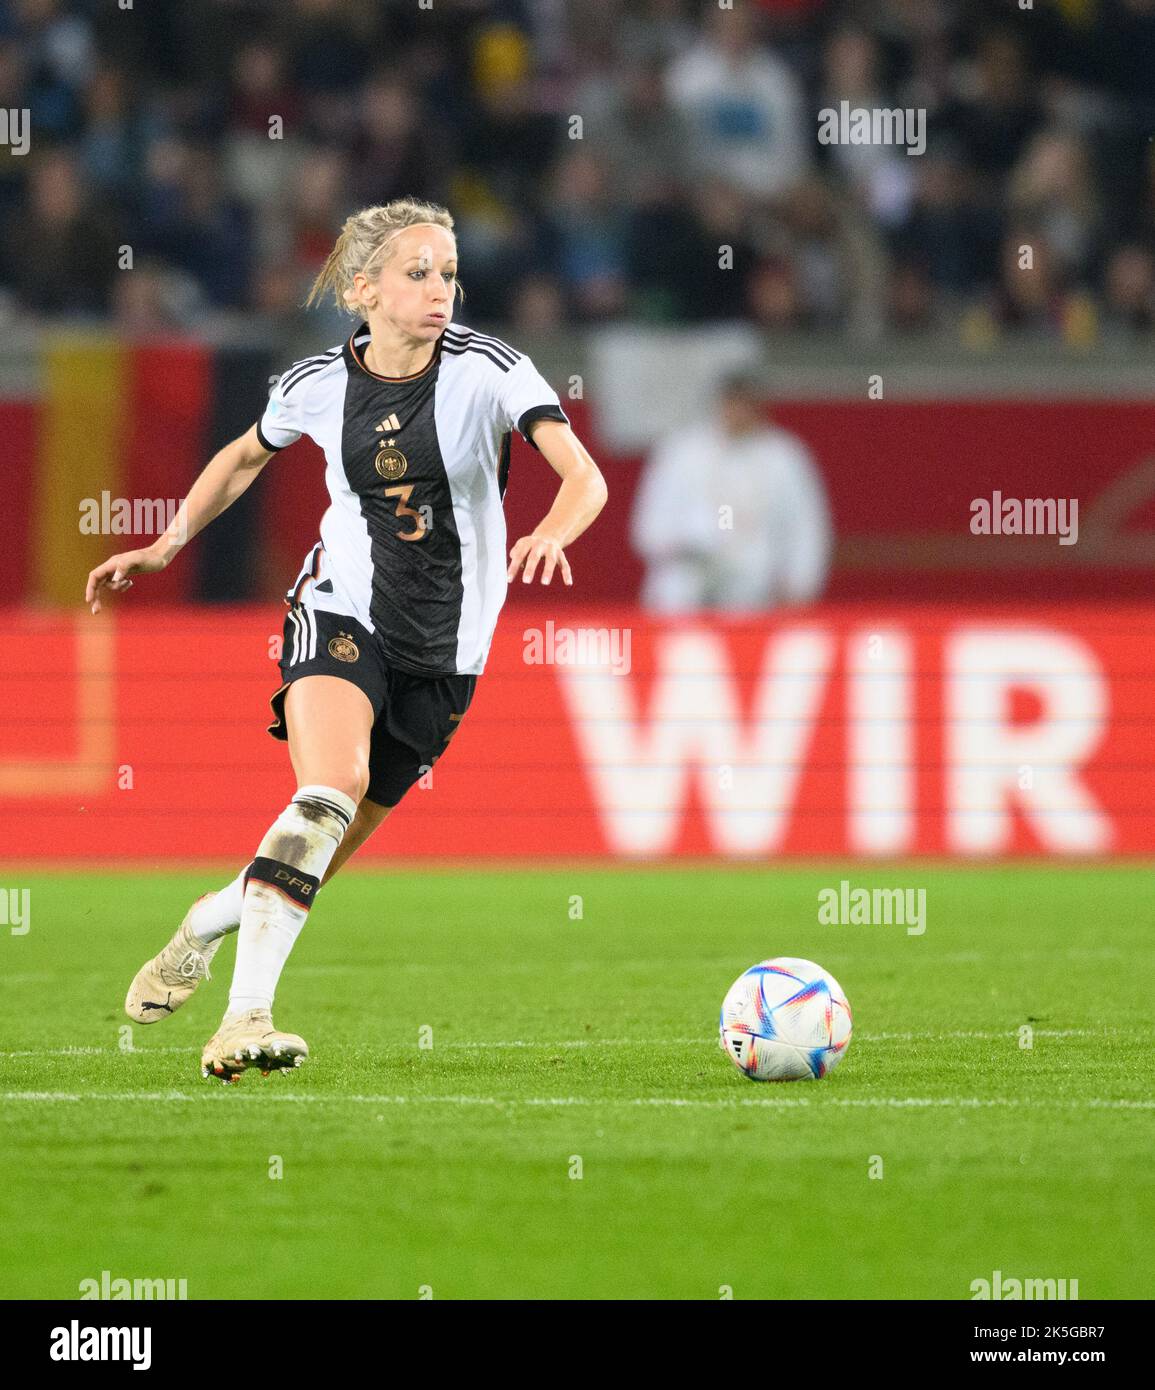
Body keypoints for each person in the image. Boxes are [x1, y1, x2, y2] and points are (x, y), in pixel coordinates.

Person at [85, 198, 608, 1082]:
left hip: (446, 654)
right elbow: (245, 454)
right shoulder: (317, 382)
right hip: (341, 610)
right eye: (418, 272)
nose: (440, 288)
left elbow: (582, 475)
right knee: (332, 787)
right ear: (364, 289)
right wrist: (170, 541)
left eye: (448, 272)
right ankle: (244, 1020)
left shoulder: (491, 370)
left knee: (316, 855)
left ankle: (209, 920)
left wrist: (554, 529)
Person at [630, 370, 831, 613]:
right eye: (731, 403)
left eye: (746, 405)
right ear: (718, 404)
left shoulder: (784, 457)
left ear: (759, 408)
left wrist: (799, 585)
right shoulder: (682, 453)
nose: (737, 413)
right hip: (683, 596)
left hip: (755, 596)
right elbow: (650, 527)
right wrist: (693, 546)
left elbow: (805, 527)